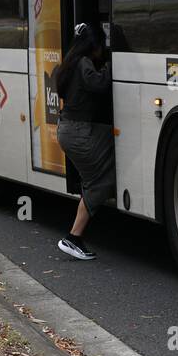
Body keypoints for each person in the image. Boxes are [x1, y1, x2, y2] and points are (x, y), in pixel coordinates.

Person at [52, 22, 116, 260]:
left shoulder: (69, 63)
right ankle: (72, 237)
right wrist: (112, 63)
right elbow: (98, 84)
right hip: (78, 132)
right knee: (102, 180)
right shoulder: (84, 63)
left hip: (69, 129)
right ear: (94, 45)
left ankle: (74, 238)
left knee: (93, 180)